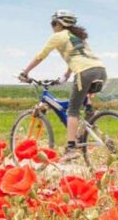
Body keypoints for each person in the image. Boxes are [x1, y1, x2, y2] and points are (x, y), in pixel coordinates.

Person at [19, 10, 108, 162]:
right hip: (100, 70)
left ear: (60, 24)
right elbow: (78, 55)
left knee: (72, 110)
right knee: (84, 101)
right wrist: (67, 74)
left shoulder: (58, 36)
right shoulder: (77, 36)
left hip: (84, 72)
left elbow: (41, 56)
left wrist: (25, 72)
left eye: (53, 23)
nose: (52, 26)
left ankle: (71, 148)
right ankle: (89, 122)